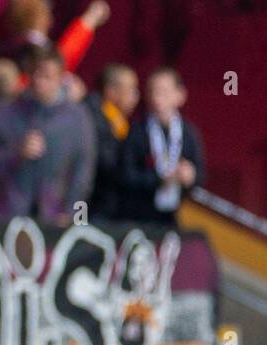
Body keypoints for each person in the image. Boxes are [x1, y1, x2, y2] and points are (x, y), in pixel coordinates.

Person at [0, 46, 96, 225]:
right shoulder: (3, 111)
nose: (39, 81)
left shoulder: (77, 118)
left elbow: (82, 171)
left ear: (61, 78)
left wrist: (71, 212)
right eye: (35, 74)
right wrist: (17, 153)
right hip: (7, 214)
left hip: (54, 216)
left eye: (47, 76)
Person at [119, 67, 205, 224]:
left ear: (180, 95)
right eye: (152, 91)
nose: (157, 98)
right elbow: (125, 176)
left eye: (164, 92)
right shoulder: (137, 131)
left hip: (174, 216)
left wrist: (190, 176)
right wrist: (158, 179)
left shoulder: (188, 133)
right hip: (139, 217)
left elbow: (200, 174)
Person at [85, 63, 139, 220]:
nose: (136, 96)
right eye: (131, 90)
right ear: (110, 91)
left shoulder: (119, 121)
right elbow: (105, 163)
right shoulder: (91, 118)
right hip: (86, 204)